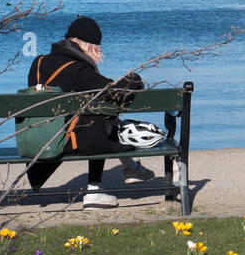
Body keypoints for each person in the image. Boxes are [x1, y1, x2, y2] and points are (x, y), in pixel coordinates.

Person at [25, 16, 154, 208]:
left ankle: (131, 167)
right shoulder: (80, 70)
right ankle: (95, 190)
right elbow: (118, 94)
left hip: (35, 136)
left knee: (95, 113)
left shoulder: (38, 62)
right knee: (100, 116)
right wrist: (134, 79)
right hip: (66, 141)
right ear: (89, 46)